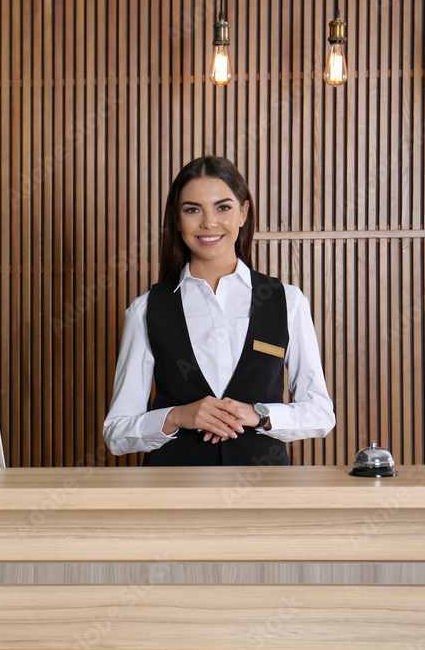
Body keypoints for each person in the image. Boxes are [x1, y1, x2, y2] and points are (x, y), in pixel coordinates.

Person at [103, 156, 335, 466]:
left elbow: (321, 413)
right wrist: (177, 417)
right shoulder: (146, 309)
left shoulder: (288, 301)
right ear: (176, 219)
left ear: (243, 213)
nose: (209, 222)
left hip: (263, 494)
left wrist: (260, 415)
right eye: (192, 210)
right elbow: (116, 433)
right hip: (174, 495)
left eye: (223, 207)